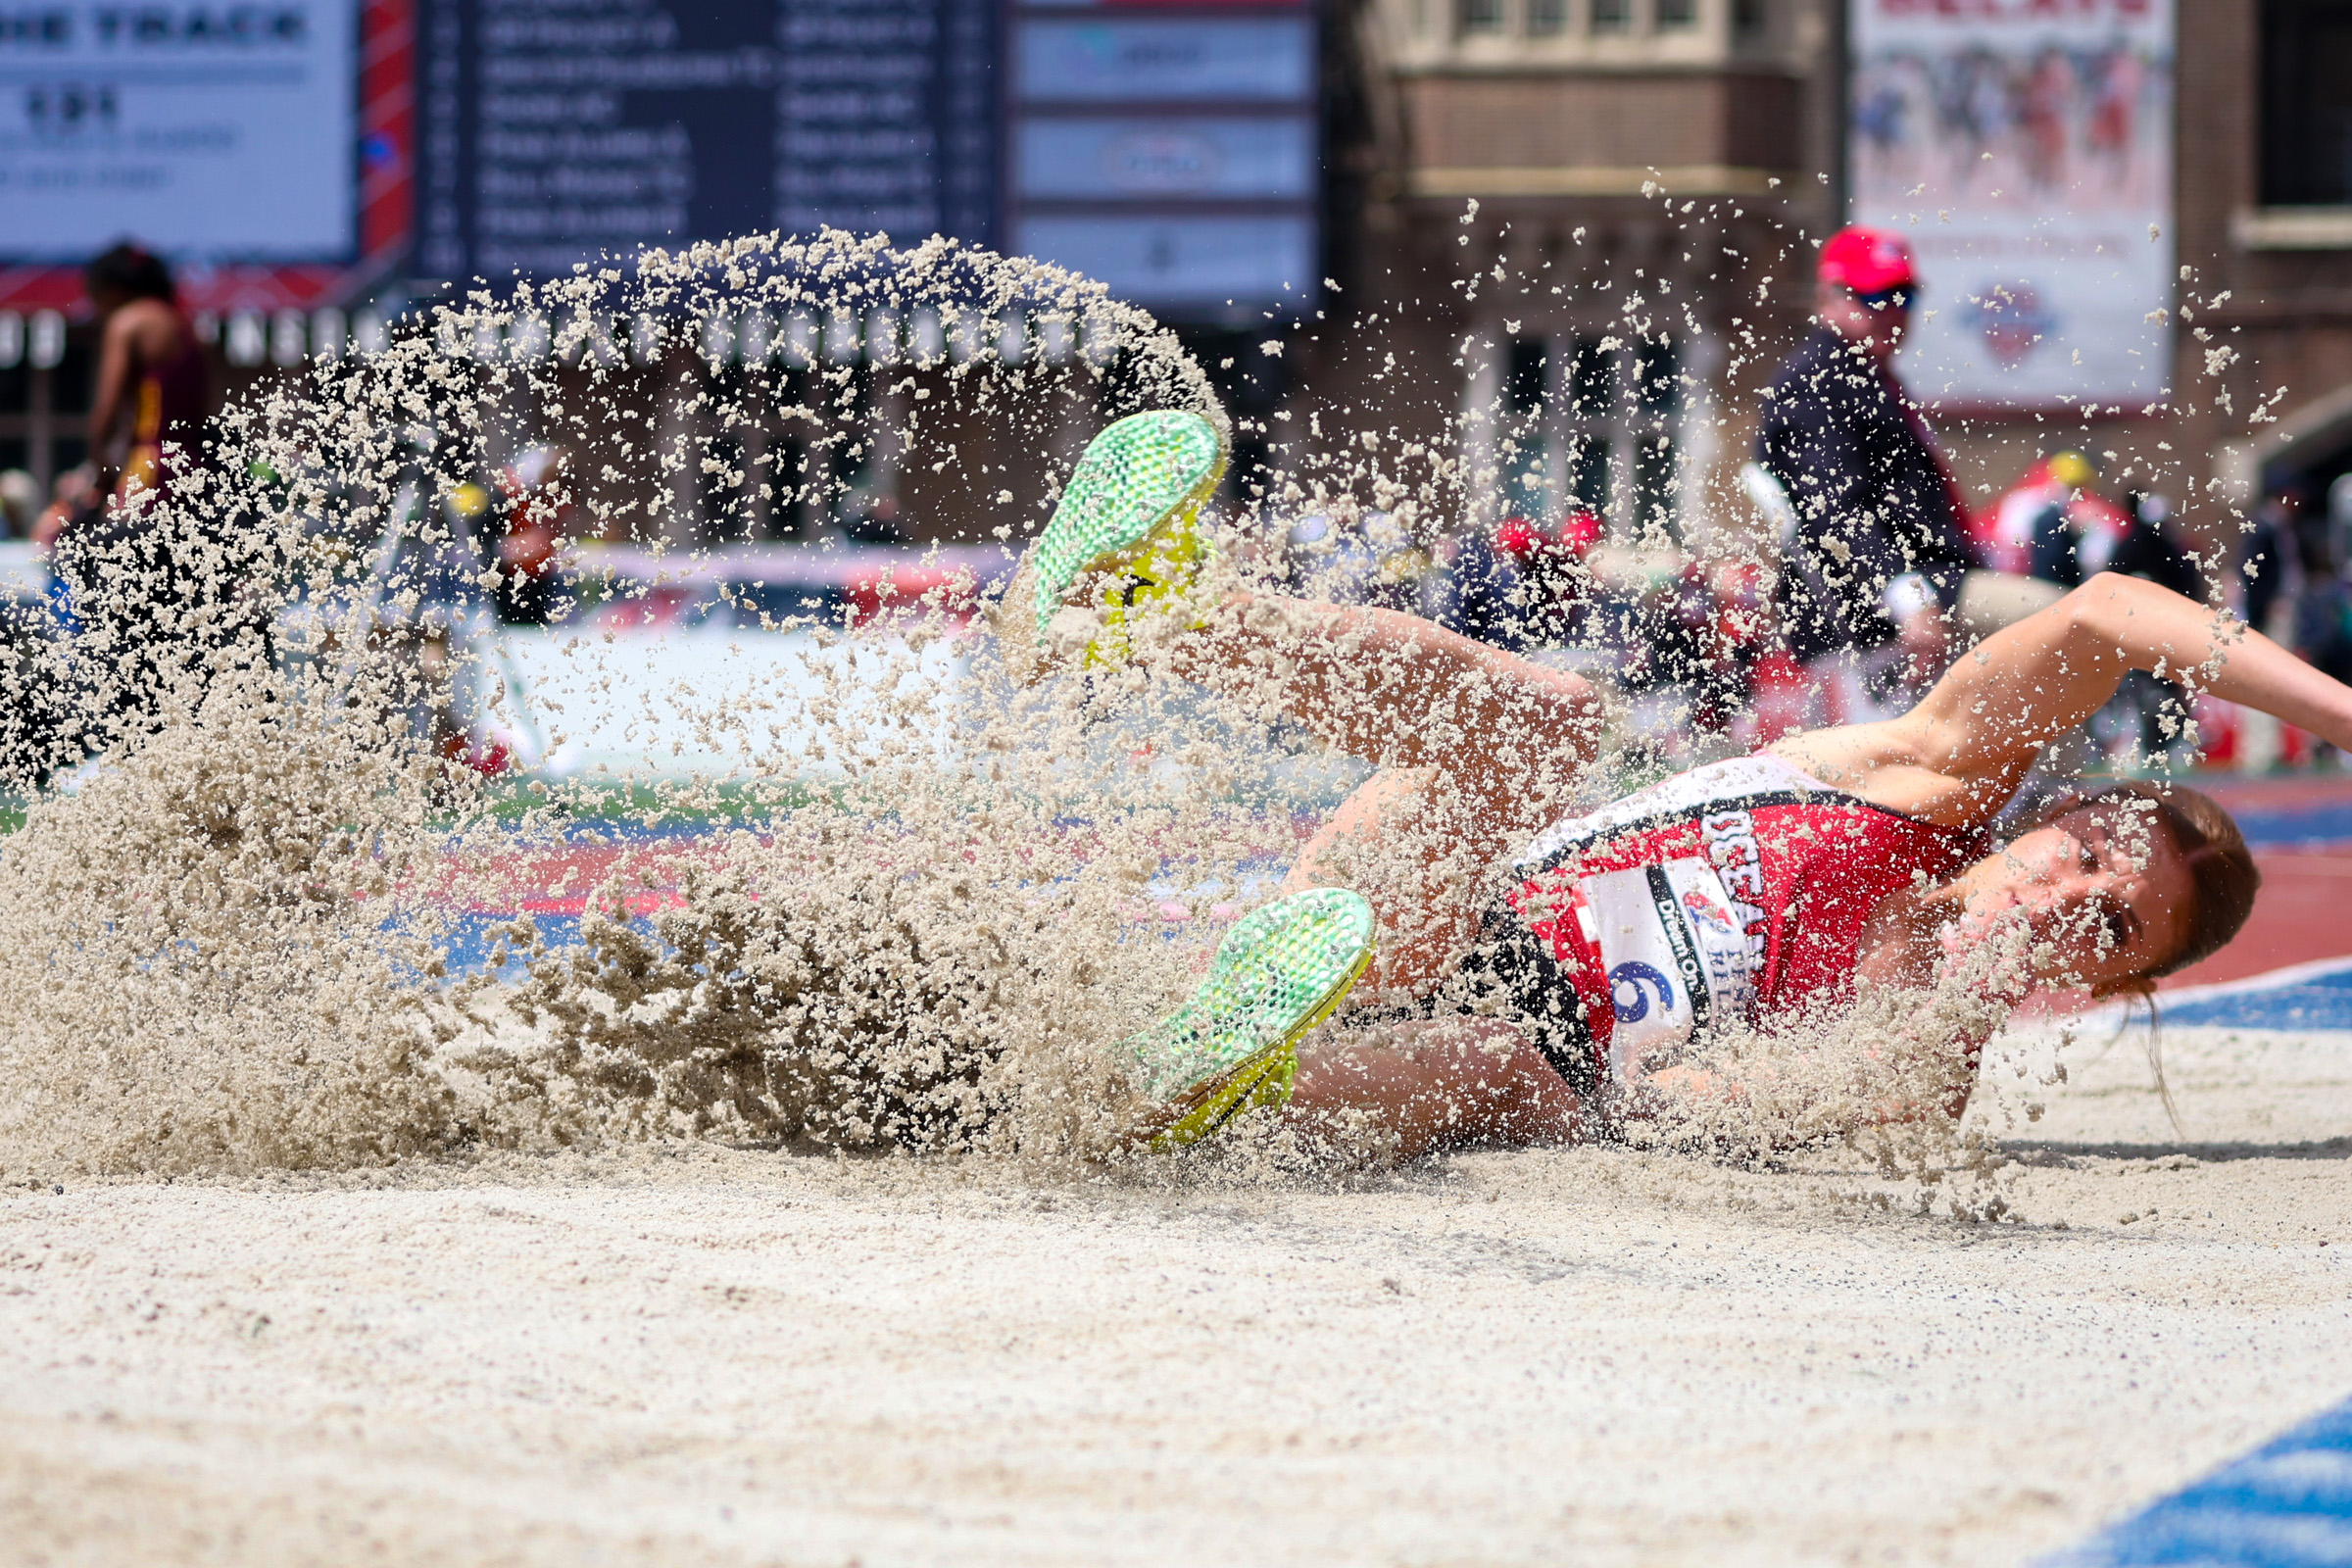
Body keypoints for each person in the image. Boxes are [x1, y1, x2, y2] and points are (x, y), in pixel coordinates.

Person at [1024, 412, 2351, 1155]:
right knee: (1551, 725)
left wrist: (1865, 1033)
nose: (2077, 896)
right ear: (2051, 814)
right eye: (2092, 852)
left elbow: (1659, 1111)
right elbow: (2113, 612)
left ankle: (1186, 1078)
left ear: (2109, 982)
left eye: (2118, 922)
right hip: (1427, 912)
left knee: (1526, 1077)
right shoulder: (1918, 783)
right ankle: (1147, 607)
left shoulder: (1917, 1066)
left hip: (1465, 1057)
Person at [1754, 225, 1974, 728]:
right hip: (1869, 615)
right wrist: (1910, 602)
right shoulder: (1817, 377)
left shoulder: (1869, 374)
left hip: (1918, 592)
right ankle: (2064, 806)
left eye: (1904, 295)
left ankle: (2053, 803)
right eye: (1875, 295)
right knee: (2057, 625)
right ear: (1828, 298)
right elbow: (1833, 511)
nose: (1893, 310)